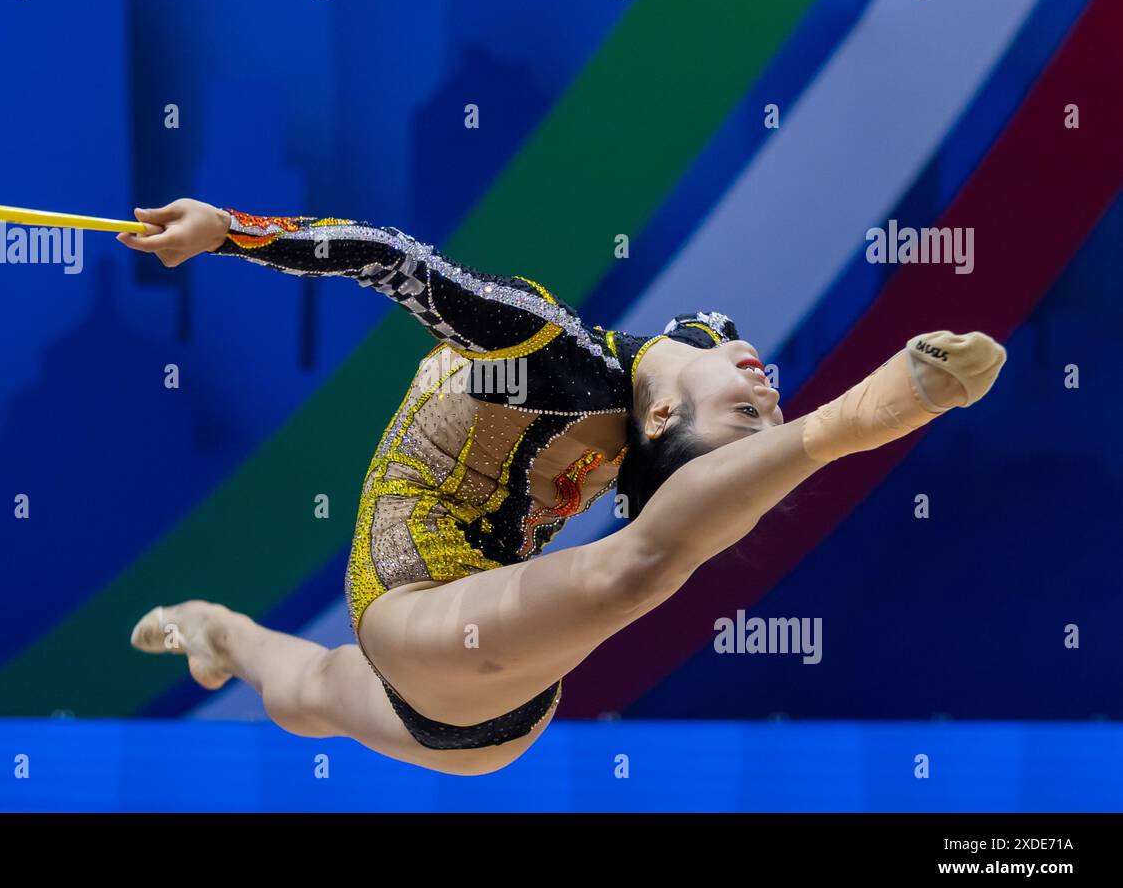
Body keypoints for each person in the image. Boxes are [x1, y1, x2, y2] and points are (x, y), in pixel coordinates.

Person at [119, 200, 1006, 775]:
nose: (769, 391)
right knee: (308, 692)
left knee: (634, 570)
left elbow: (392, 260)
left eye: (751, 416)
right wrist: (228, 232)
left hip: (429, 612)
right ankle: (222, 631)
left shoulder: (548, 353)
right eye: (768, 409)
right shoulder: (678, 346)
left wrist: (225, 232)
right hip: (488, 694)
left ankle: (857, 419)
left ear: (660, 426)